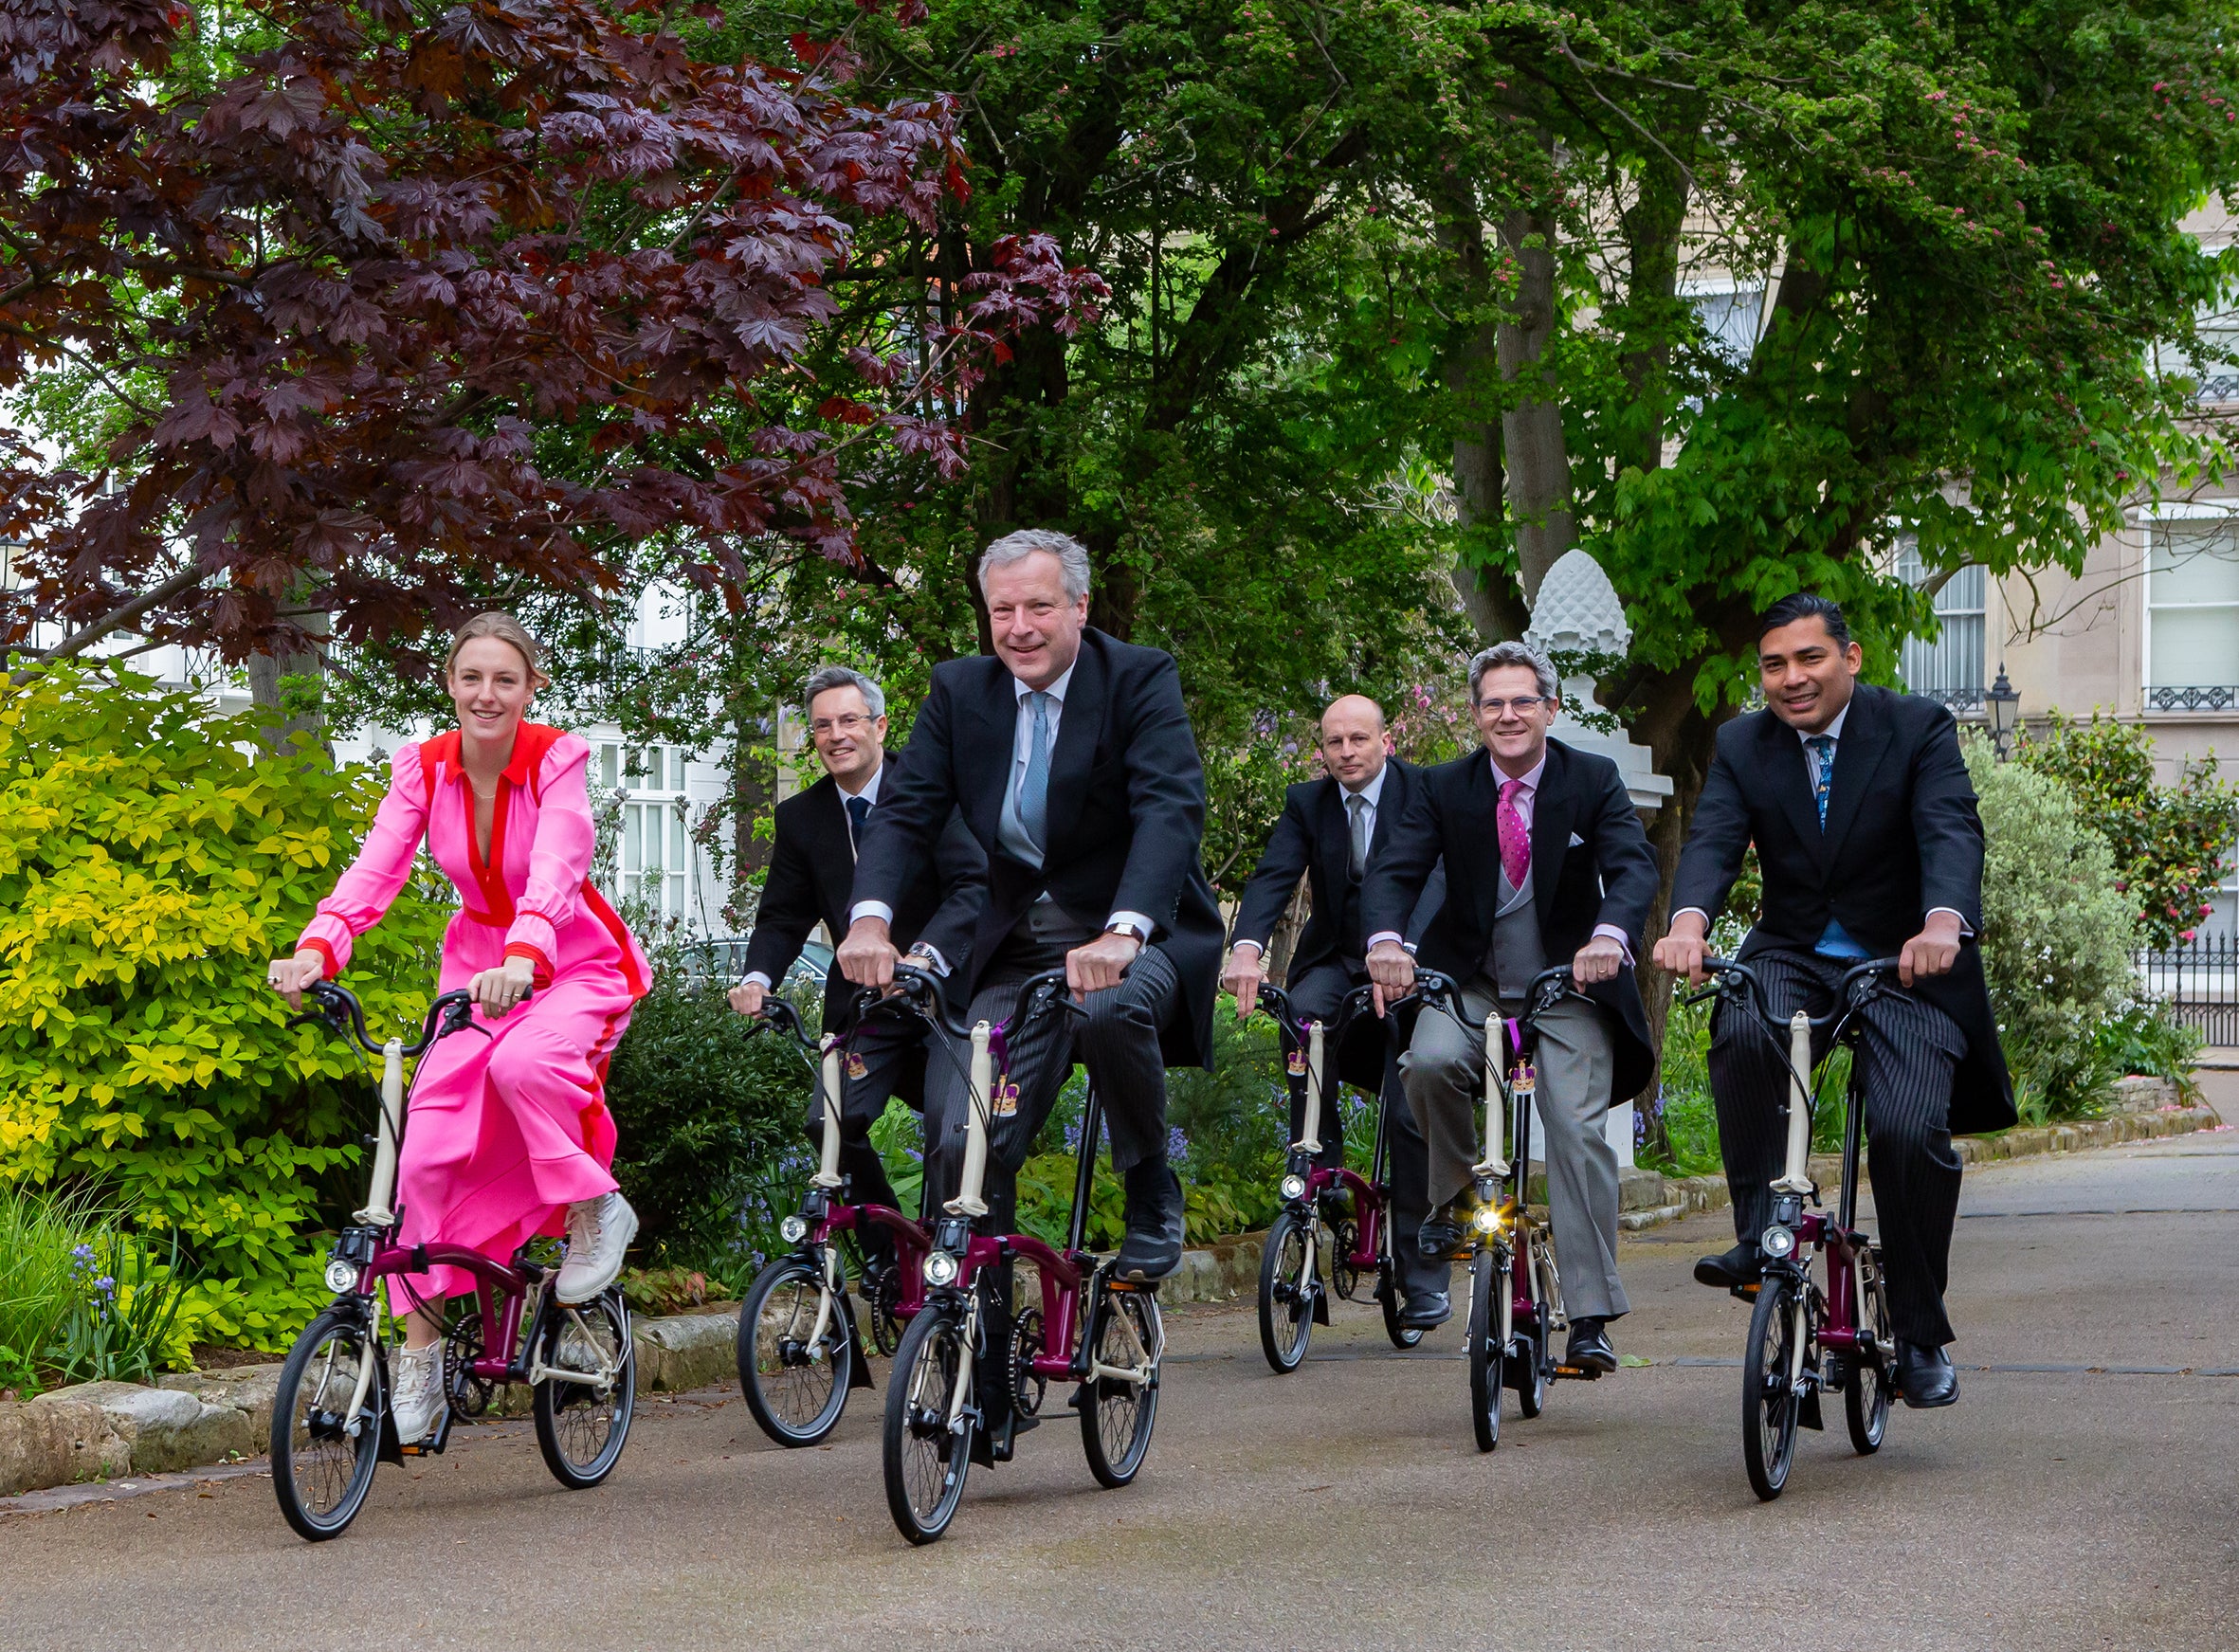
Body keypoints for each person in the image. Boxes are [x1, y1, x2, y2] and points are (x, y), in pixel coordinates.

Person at [265, 613, 652, 1443]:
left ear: (530, 688)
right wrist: (316, 949)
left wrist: (525, 948)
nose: (487, 693)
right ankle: (420, 1364)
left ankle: (597, 1204)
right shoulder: (423, 768)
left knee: (522, 1067)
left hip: (571, 956)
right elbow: (378, 864)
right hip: (478, 968)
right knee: (426, 1148)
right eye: (472, 677)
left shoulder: (557, 759)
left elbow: (559, 862)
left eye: (505, 679)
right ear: (450, 684)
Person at [1651, 592, 2013, 1409]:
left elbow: (1951, 829)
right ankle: (1759, 1234)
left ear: (1849, 658)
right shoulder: (1746, 743)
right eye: (1774, 664)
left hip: (1906, 959)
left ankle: (1918, 1331)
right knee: (1741, 1028)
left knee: (1906, 1129)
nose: (1791, 679)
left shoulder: (1916, 727)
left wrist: (1943, 922)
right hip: (1795, 951)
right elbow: (1713, 837)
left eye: (1809, 658)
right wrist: (1687, 921)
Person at [838, 528, 1223, 1283]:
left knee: (1109, 1006)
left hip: (1133, 938)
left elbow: (1169, 807)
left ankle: (1150, 1183)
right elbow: (906, 812)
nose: (1019, 628)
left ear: (1079, 606)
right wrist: (870, 917)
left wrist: (1122, 930)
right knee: (962, 1142)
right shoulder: (959, 691)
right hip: (1016, 950)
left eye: (1039, 606)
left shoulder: (1138, 678)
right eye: (1002, 610)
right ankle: (983, 1365)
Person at [1361, 641, 1659, 1373]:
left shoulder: (1592, 780)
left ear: (1550, 708)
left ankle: (1589, 1314)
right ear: (1475, 714)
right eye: (1493, 702)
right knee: (1426, 1062)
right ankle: (1460, 1198)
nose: (1508, 714)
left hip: (1569, 985)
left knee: (1577, 1127)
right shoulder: (1443, 787)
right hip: (1472, 980)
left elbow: (1631, 865)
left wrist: (1609, 937)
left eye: (1523, 700)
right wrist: (1387, 941)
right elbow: (1394, 868)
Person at [727, 665, 986, 1272]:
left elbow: (972, 888)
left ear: (880, 725)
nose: (836, 735)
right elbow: (783, 915)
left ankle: (948, 1263)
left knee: (953, 1136)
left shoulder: (933, 792)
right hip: (867, 1008)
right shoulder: (801, 818)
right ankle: (890, 1257)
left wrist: (922, 959)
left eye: (849, 721)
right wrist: (758, 979)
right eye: (822, 726)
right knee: (829, 1124)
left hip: (948, 998)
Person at [1221, 694, 1453, 1326]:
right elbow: (1272, 876)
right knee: (1301, 1014)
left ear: (1387, 741)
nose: (1346, 752)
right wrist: (1246, 948)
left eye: (1358, 739)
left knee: (1410, 1112)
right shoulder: (1308, 803)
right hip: (1336, 957)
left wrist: (1400, 953)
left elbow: (1437, 879)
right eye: (1334, 742)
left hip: (1412, 958)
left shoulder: (1426, 791)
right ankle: (1319, 1171)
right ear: (1321, 748)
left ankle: (1423, 1273)